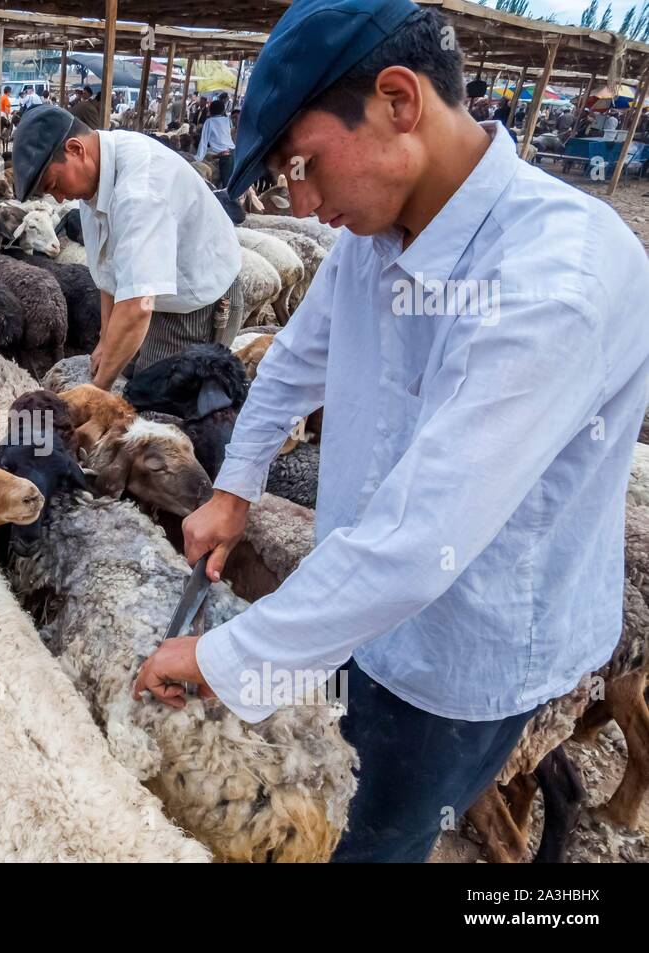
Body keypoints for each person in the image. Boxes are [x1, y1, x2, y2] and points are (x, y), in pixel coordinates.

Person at [129, 0, 649, 864]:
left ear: (398, 102)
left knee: (375, 836)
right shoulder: (374, 239)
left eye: (304, 164)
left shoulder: (557, 276)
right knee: (338, 784)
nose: (301, 201)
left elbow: (426, 533)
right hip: (361, 611)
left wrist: (228, 657)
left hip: (460, 656)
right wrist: (232, 489)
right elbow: (295, 359)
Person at [12, 104, 243, 383]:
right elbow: (109, 271)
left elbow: (138, 306)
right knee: (125, 379)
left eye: (54, 184)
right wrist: (105, 340)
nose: (60, 199)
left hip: (195, 304)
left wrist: (98, 392)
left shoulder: (140, 192)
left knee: (154, 403)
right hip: (153, 296)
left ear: (76, 149)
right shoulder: (95, 182)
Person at [196, 97, 236, 186]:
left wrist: (198, 158)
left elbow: (203, 141)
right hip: (233, 152)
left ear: (210, 110)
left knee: (225, 187)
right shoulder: (227, 120)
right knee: (229, 184)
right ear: (223, 111)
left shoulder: (209, 122)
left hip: (223, 155)